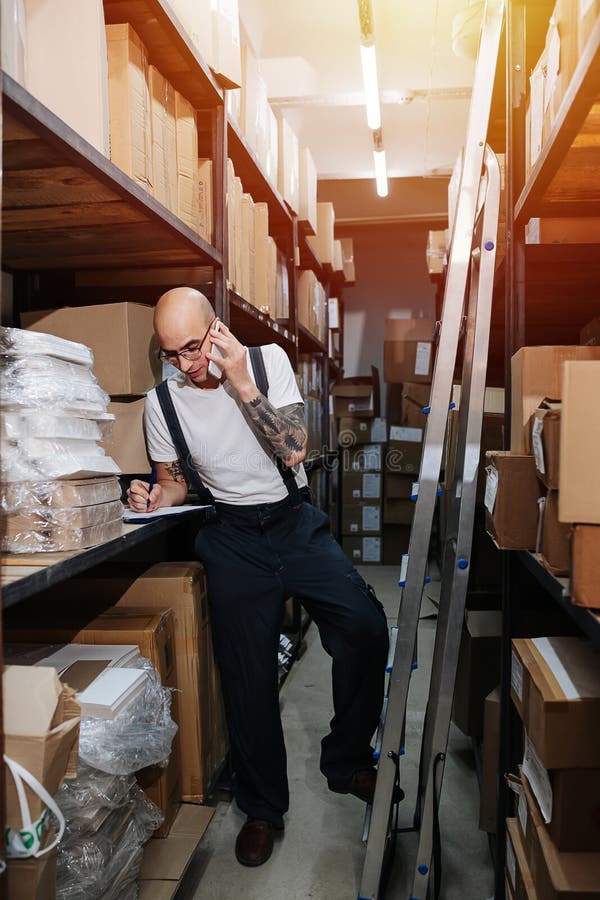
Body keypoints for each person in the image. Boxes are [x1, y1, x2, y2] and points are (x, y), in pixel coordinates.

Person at [128, 287, 392, 867]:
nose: (187, 365)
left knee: (366, 626)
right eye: (172, 354)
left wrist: (241, 381)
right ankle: (263, 808)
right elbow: (174, 480)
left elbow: (295, 448)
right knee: (246, 679)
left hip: (294, 524)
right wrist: (153, 496)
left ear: (216, 329)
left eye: (193, 348)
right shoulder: (162, 402)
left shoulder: (268, 361)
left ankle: (347, 760)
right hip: (232, 538)